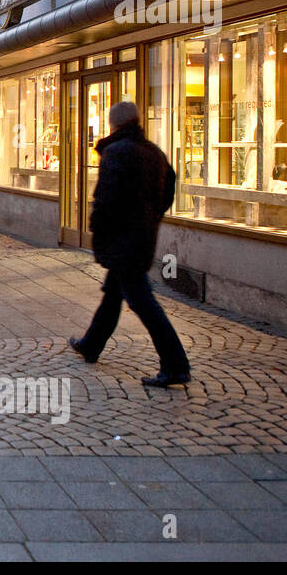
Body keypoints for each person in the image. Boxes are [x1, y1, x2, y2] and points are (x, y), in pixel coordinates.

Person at [68, 100, 190, 387]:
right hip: (142, 237)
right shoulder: (154, 153)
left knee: (142, 301)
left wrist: (97, 228)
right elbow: (170, 188)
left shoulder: (116, 153)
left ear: (114, 124)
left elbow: (105, 198)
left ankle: (176, 365)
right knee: (113, 293)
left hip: (123, 239)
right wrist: (152, 216)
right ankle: (91, 344)